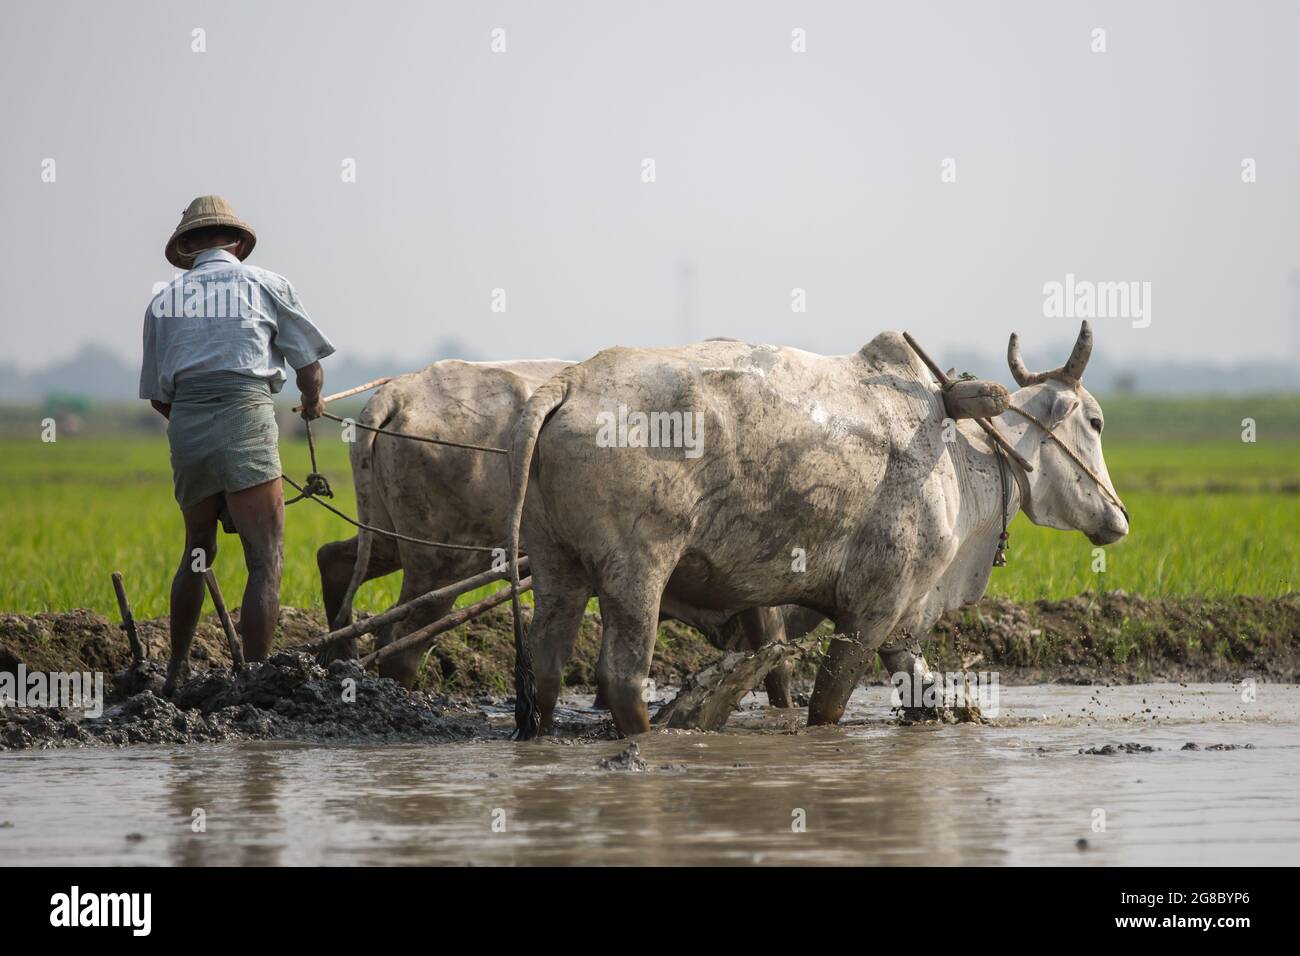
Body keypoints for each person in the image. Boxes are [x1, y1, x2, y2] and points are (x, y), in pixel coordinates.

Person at [140, 195, 335, 695]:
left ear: (188, 247)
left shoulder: (162, 300)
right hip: (245, 416)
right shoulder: (266, 284)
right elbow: (308, 367)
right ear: (240, 243)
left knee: (197, 552)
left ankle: (175, 672)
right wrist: (312, 402)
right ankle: (253, 681)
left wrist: (196, 426)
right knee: (264, 559)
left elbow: (160, 397)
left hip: (186, 426)